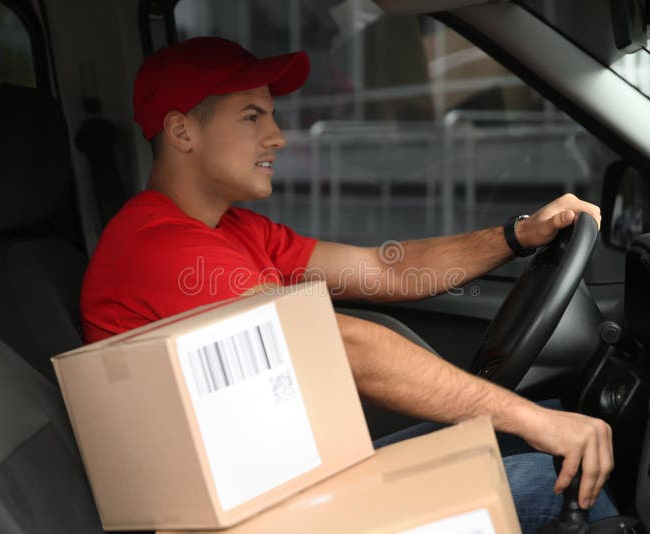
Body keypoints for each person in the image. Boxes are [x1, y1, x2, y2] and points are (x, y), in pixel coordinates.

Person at [80, 37, 615, 532]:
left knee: (551, 433)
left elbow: (383, 269)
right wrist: (528, 416)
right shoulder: (157, 247)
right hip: (241, 519)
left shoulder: (234, 228)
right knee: (558, 478)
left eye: (271, 115)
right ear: (181, 132)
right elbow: (339, 346)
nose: (278, 136)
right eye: (252, 116)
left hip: (288, 485)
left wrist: (518, 235)